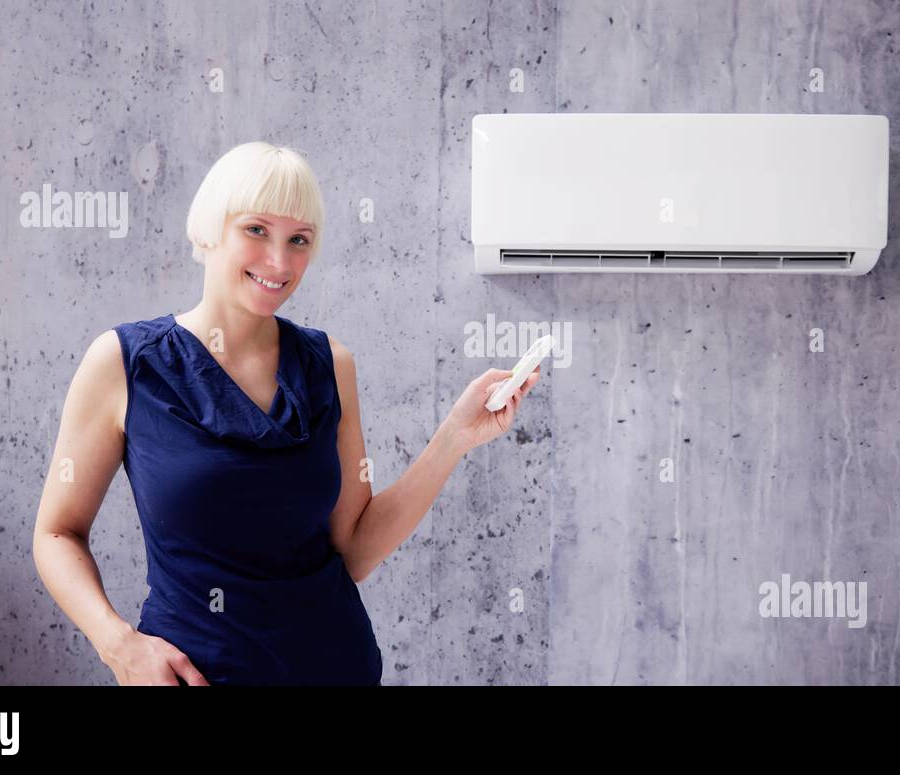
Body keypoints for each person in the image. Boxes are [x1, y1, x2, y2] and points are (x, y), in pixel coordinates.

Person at [32, 141, 540, 685]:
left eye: (299, 240)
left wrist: (454, 439)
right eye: (256, 230)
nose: (279, 262)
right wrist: (120, 645)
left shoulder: (330, 365)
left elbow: (355, 549)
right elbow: (57, 533)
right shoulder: (125, 363)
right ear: (211, 229)